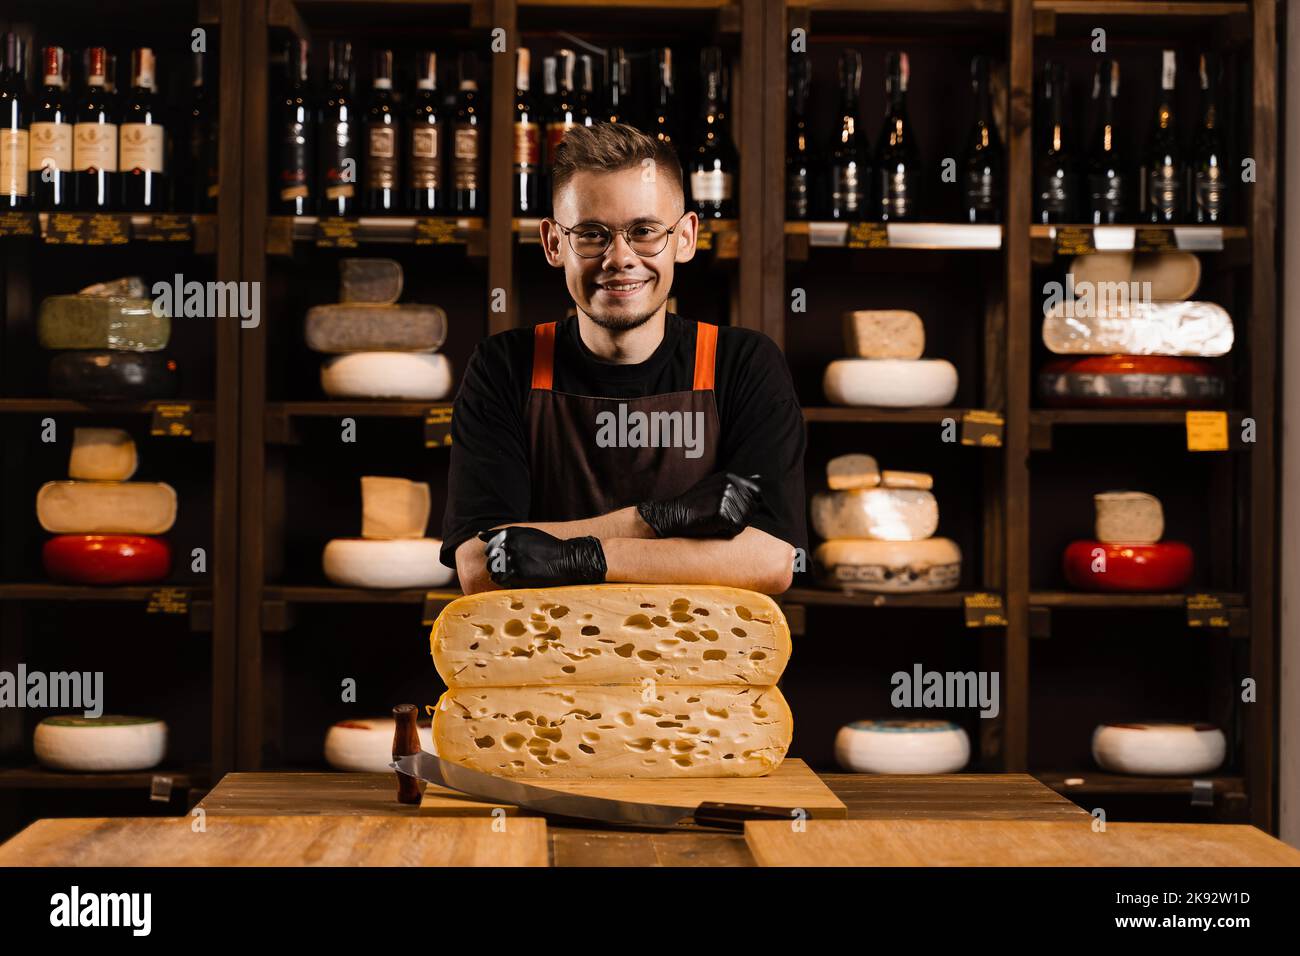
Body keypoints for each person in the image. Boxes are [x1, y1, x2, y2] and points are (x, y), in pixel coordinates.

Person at [440, 123, 806, 595]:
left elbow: (771, 559)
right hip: (549, 663)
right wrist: (655, 519)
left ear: (686, 237)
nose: (620, 258)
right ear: (553, 243)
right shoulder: (505, 366)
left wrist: (579, 555)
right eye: (592, 234)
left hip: (698, 663)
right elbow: (480, 564)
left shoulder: (742, 364)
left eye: (645, 231)